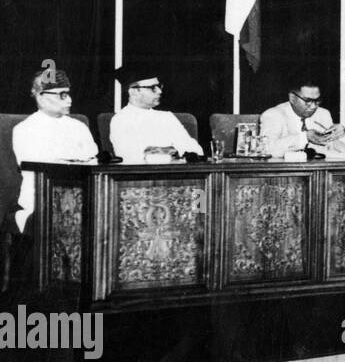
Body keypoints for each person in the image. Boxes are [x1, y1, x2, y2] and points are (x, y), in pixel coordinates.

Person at [11, 68, 99, 234]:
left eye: (68, 94)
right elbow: (38, 170)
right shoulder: (25, 129)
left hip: (84, 193)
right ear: (41, 97)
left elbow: (92, 161)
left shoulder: (79, 126)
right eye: (62, 95)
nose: (69, 100)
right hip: (41, 197)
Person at [108, 63, 205, 163]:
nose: (159, 91)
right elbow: (131, 158)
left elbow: (196, 151)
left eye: (159, 86)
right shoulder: (121, 120)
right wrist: (174, 151)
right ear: (134, 92)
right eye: (152, 88)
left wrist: (165, 151)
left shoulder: (166, 117)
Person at [258, 81, 345, 157]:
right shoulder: (273, 115)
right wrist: (305, 137)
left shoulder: (323, 114)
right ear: (292, 98)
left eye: (317, 101)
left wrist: (341, 134)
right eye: (308, 101)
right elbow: (266, 149)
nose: (313, 106)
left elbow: (342, 151)